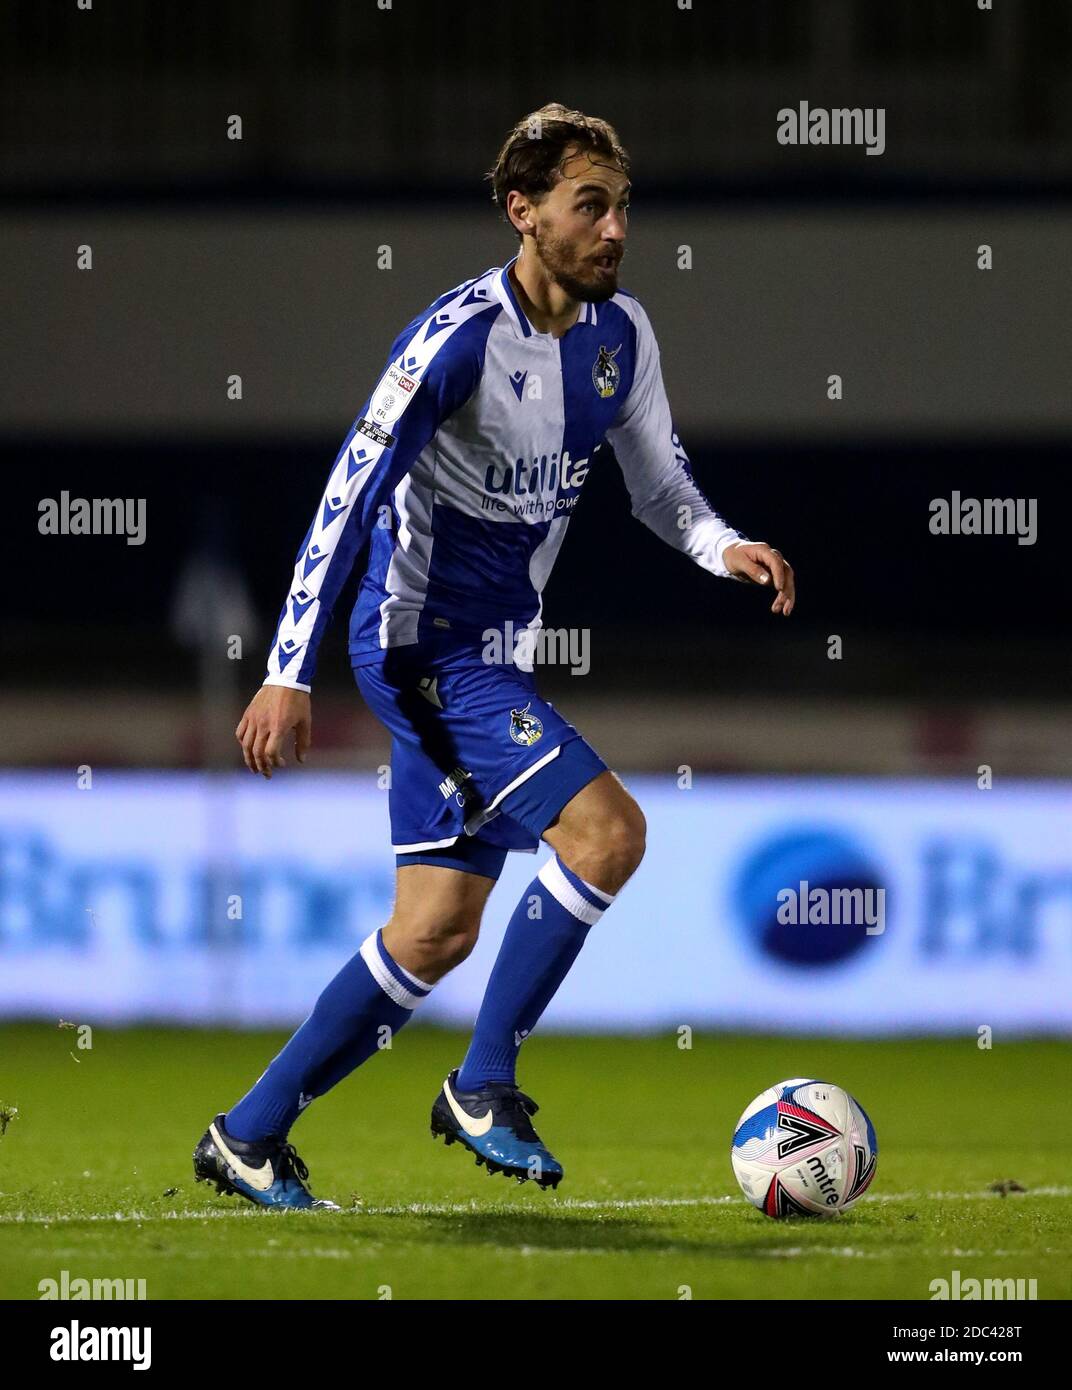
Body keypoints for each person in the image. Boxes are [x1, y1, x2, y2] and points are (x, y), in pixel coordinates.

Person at [193, 102, 795, 1209]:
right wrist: (286, 668)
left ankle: (248, 1134)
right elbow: (348, 493)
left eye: (621, 207)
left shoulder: (622, 339)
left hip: (491, 656)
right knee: (609, 832)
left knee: (431, 933)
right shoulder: (454, 341)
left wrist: (722, 546)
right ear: (523, 212)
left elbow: (660, 488)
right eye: (589, 206)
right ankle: (482, 1081)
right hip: (422, 649)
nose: (614, 229)